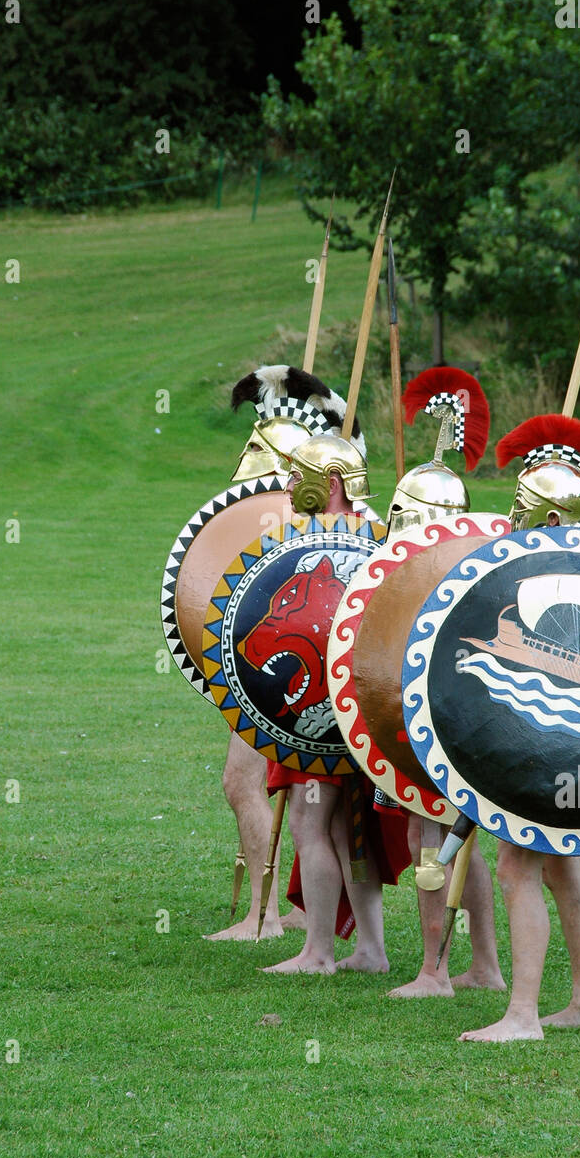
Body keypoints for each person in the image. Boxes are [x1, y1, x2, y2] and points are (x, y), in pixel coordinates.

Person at [460, 413, 580, 1041]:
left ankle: (522, 1015)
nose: (511, 517)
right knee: (564, 866)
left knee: (518, 867)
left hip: (546, 748)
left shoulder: (550, 584)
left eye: (523, 504)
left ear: (550, 517)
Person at [205, 366, 366, 942]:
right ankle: (299, 917)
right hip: (294, 675)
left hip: (298, 682)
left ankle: (269, 915)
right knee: (314, 804)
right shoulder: (299, 522)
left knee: (253, 785)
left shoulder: (327, 528)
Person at [376, 367, 504, 999]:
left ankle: (435, 973)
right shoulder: (476, 568)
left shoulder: (432, 576)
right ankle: (483, 965)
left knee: (431, 837)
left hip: (433, 729)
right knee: (462, 838)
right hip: (463, 731)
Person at [261, 434, 411, 974]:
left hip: (325, 713)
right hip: (359, 714)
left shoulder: (335, 545)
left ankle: (318, 951)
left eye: (299, 474)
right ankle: (370, 949)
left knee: (310, 822)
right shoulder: (380, 540)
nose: (289, 484)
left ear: (330, 482)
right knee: (351, 826)